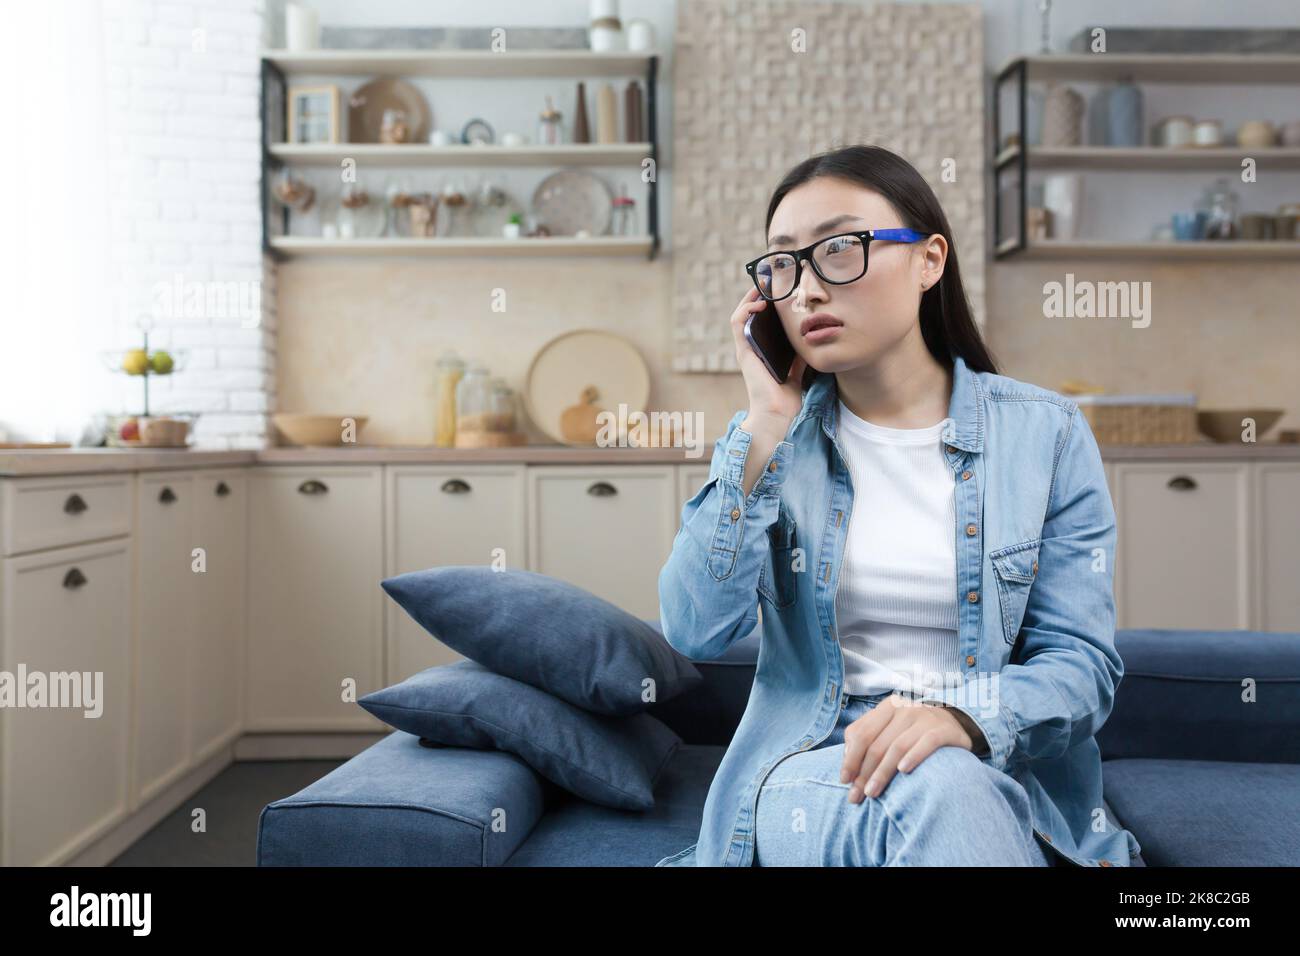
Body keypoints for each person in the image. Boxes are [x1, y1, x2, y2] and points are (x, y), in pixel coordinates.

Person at [655, 144, 1142, 867]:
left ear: (929, 260)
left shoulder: (1047, 436)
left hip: (994, 764)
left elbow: (1081, 666)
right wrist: (762, 426)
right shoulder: (769, 447)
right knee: (939, 785)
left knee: (949, 782)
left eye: (842, 249)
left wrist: (960, 718)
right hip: (814, 767)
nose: (808, 291)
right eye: (784, 263)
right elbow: (695, 628)